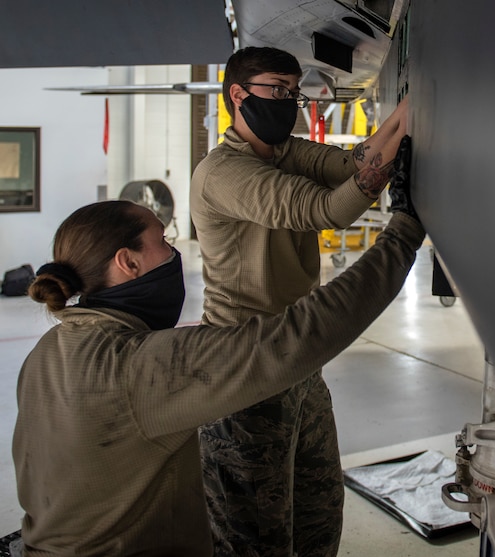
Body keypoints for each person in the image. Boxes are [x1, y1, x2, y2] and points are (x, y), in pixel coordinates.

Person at [12, 153, 421, 556]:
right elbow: (297, 337)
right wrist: (403, 232)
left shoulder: (48, 352)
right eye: (164, 241)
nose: (174, 252)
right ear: (128, 262)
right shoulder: (137, 367)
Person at [190, 46, 409, 556]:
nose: (289, 102)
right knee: (256, 535)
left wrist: (407, 113)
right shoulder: (223, 173)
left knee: (318, 512)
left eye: (294, 92)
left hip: (297, 357)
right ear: (238, 95)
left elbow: (349, 163)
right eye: (277, 90)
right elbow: (327, 209)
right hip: (243, 365)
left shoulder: (285, 151)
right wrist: (405, 220)